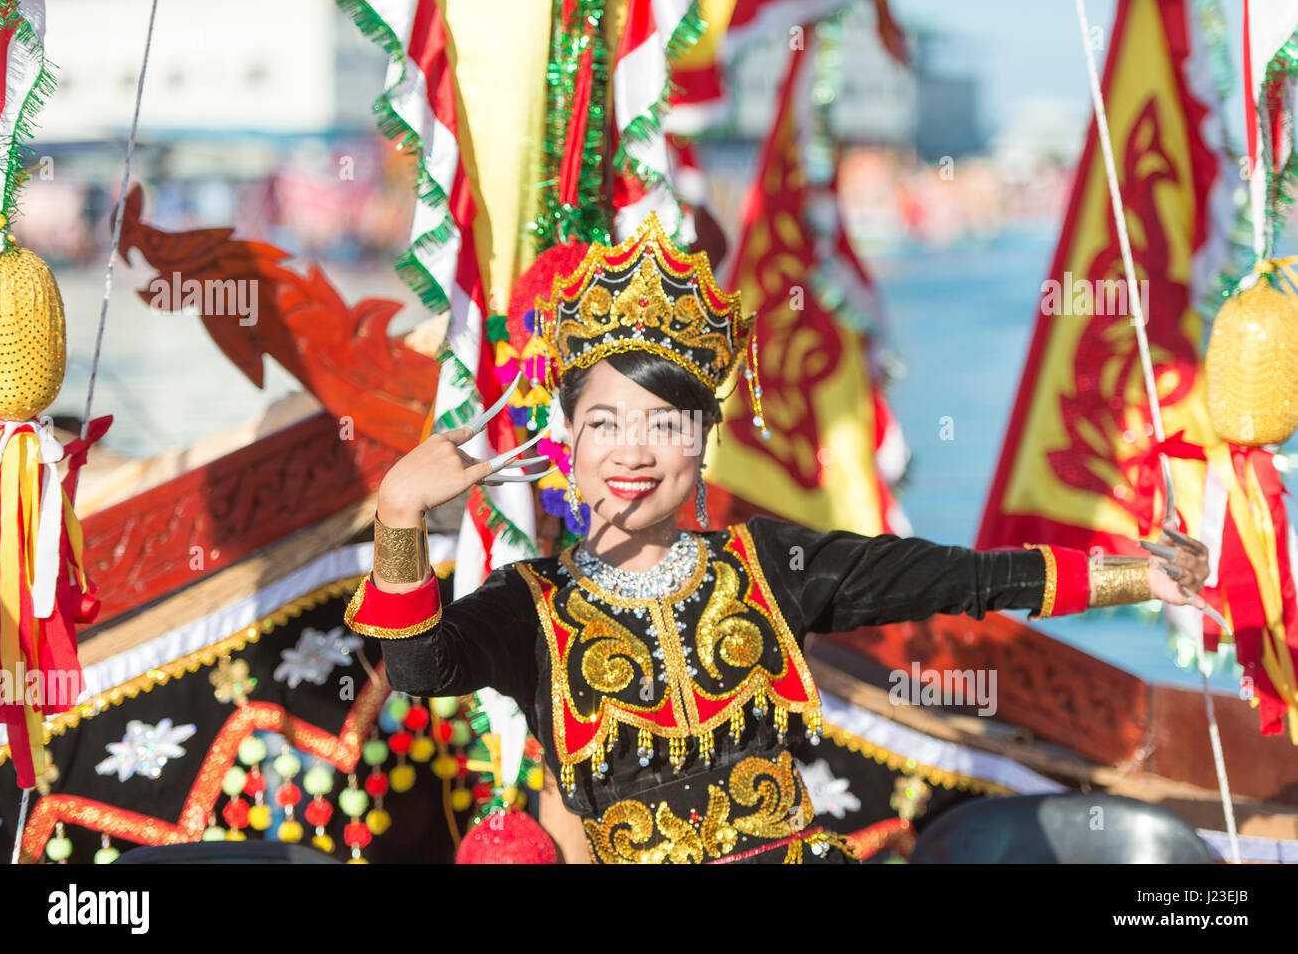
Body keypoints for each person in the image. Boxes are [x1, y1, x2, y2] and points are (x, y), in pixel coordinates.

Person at [343, 214, 1211, 864]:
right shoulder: (532, 606)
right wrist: (399, 517)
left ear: (702, 442)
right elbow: (421, 671)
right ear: (569, 439)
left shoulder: (771, 567)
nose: (633, 452)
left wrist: (1139, 576)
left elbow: (960, 579)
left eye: (664, 424)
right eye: (604, 422)